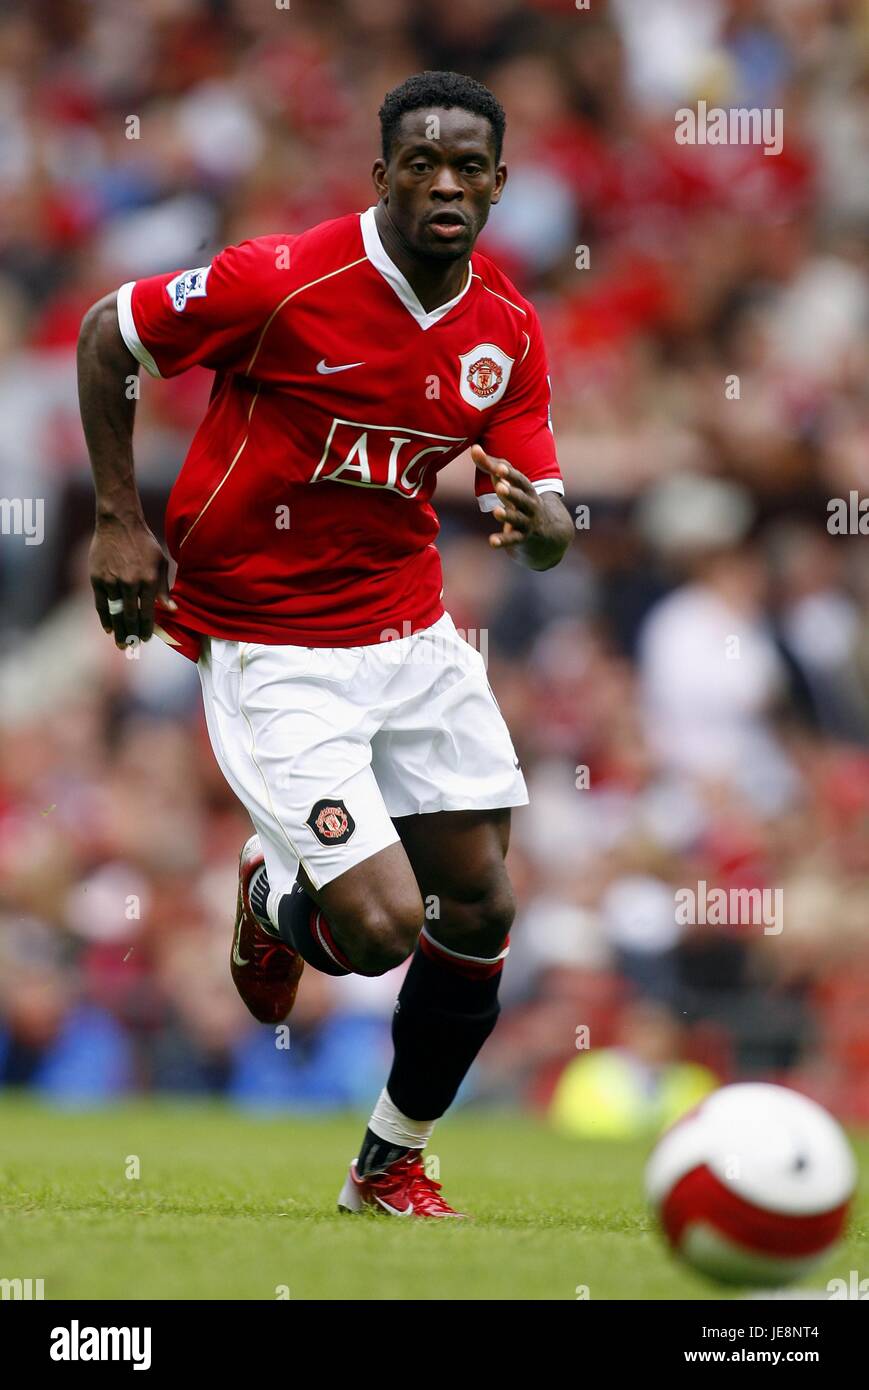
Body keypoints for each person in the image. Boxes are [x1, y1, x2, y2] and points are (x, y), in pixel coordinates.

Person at [77, 70, 574, 1217]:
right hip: (269, 642)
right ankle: (274, 897)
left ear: (499, 183)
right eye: (420, 163)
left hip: (408, 629)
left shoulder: (503, 328)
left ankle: (389, 1162)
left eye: (466, 166)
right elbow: (111, 333)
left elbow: (542, 508)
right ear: (381, 175)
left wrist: (543, 526)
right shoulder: (285, 279)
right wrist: (116, 520)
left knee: (484, 909)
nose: (443, 183)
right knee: (379, 928)